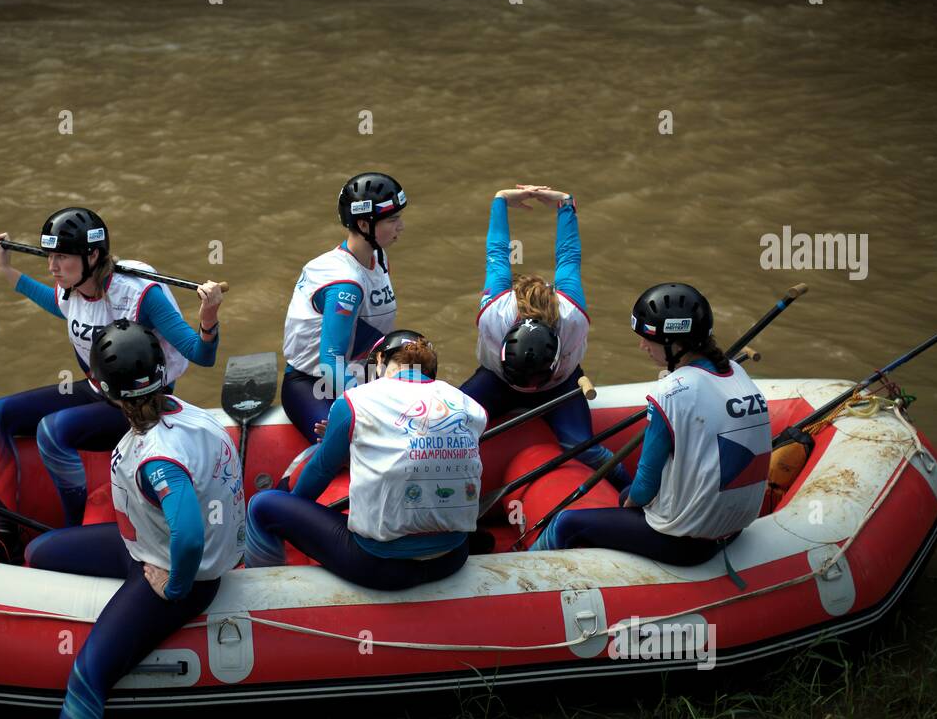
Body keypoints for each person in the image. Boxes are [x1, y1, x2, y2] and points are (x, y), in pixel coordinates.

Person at [27, 319, 244, 719]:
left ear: (107, 394)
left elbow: (187, 533)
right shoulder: (184, 411)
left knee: (87, 674)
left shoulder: (156, 458)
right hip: (143, 548)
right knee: (41, 552)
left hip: (173, 574)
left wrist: (178, 586)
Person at [0, 207, 224, 560]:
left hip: (142, 404)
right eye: (49, 256)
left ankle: (71, 531)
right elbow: (57, 305)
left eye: (61, 257)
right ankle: (4, 536)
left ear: (92, 255)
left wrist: (209, 317)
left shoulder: (141, 294)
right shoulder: (73, 287)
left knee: (51, 431)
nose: (52, 267)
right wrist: (7, 270)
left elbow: (201, 354)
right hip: (100, 390)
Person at [531, 283, 770, 565]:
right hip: (734, 530)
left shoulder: (670, 392)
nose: (642, 345)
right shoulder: (737, 373)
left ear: (674, 343)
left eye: (648, 339)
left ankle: (518, 570)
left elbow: (643, 489)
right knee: (623, 497)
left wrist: (629, 508)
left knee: (567, 523)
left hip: (687, 544)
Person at [247, 330, 487, 589]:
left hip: (379, 566)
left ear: (381, 360)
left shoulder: (355, 401)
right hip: (452, 558)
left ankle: (263, 590)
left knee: (262, 505)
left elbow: (318, 473)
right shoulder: (471, 406)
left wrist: (292, 511)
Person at [461, 184, 630, 489]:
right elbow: (497, 252)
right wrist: (499, 201)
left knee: (585, 450)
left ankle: (637, 498)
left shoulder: (571, 314)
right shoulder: (495, 315)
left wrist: (566, 204)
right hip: (499, 382)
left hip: (558, 385)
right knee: (448, 428)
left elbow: (569, 255)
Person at [281, 172, 405, 443]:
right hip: (314, 385)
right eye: (393, 220)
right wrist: (377, 410)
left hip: (364, 373)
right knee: (350, 447)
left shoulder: (377, 256)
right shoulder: (345, 285)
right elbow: (330, 365)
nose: (401, 226)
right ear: (363, 224)